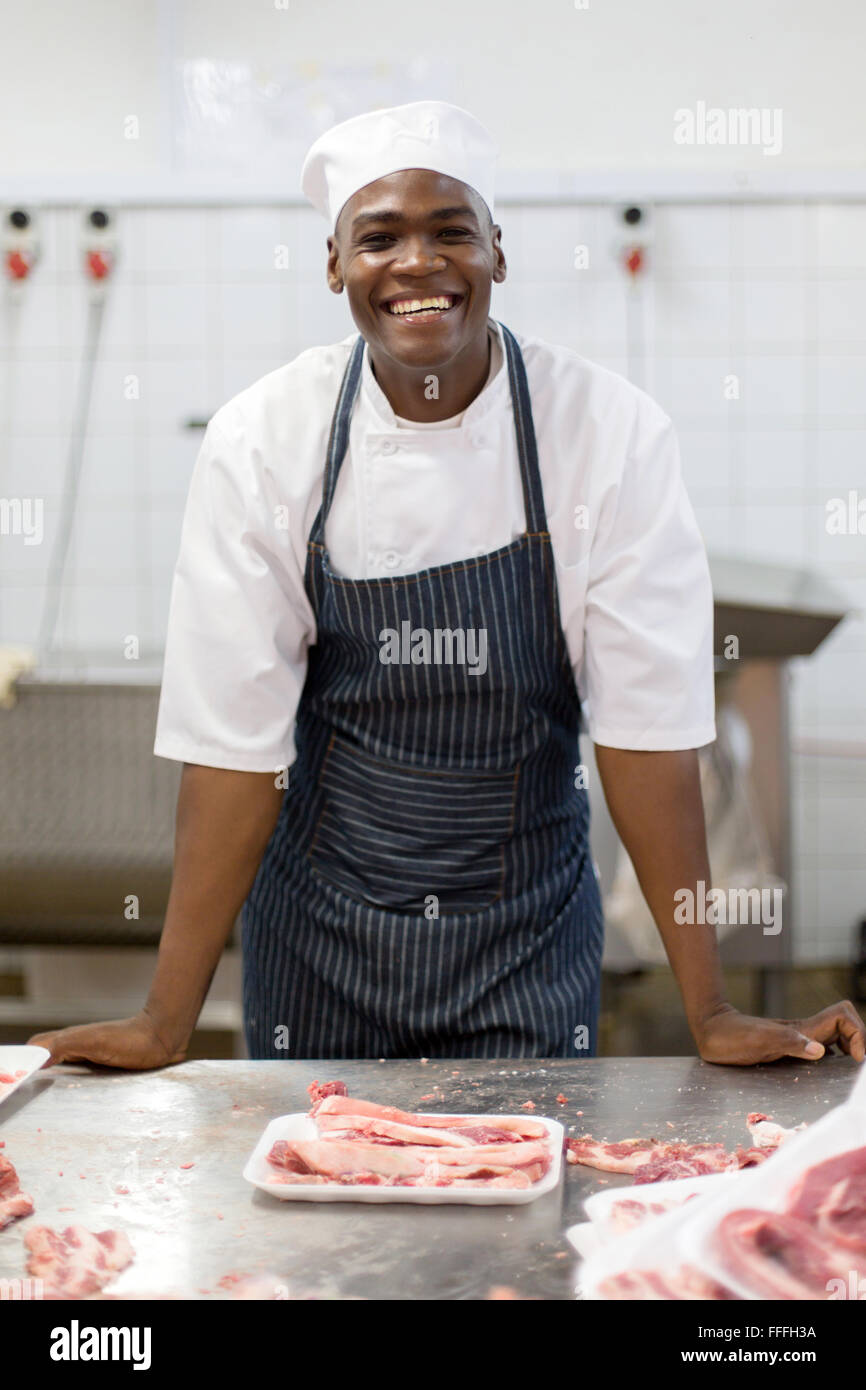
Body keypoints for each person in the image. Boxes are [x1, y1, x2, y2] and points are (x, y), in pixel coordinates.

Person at [32, 101, 865, 1068]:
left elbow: (646, 739)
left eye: (452, 232)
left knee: (528, 1165)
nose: (418, 263)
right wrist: (164, 1021)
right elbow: (232, 748)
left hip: (527, 937)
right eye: (378, 238)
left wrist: (710, 1010)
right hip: (319, 939)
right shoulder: (265, 438)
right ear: (334, 264)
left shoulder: (608, 433)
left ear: (497, 251)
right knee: (309, 1165)